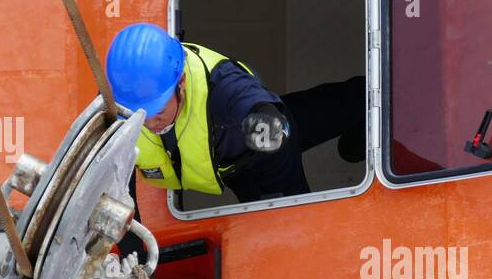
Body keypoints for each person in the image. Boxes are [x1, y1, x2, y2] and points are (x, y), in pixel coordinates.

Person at [105, 22, 365, 205]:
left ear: (181, 83)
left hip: (264, 161)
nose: (149, 122)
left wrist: (269, 126)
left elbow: (251, 102)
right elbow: (118, 171)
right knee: (331, 108)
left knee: (289, 228)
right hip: (230, 168)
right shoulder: (117, 100)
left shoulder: (224, 88)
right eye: (137, 114)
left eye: (157, 110)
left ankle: (378, 101)